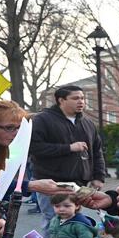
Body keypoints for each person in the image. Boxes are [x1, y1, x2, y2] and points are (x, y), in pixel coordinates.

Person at [27, 85, 107, 223]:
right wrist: (68, 148)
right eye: (75, 98)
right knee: (53, 222)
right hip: (51, 183)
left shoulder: (87, 123)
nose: (81, 101)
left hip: (78, 183)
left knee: (74, 221)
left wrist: (99, 176)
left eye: (82, 98)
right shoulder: (42, 119)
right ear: (61, 100)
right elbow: (34, 148)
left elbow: (97, 151)